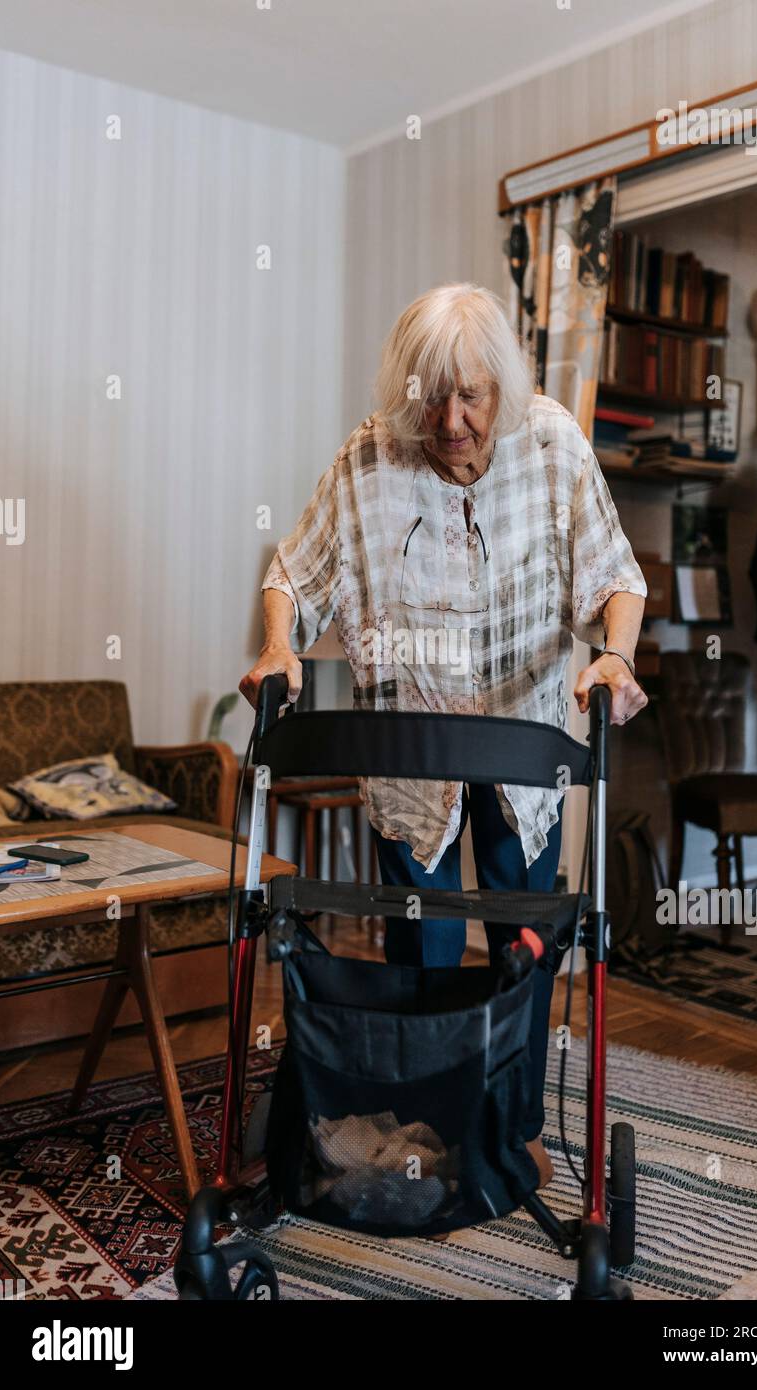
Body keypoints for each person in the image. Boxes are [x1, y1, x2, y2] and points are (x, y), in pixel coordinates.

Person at [241, 282, 647, 1190]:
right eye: (431, 395)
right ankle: (425, 1118)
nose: (451, 420)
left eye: (472, 396)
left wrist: (615, 656)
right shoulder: (369, 459)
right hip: (411, 746)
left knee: (521, 938)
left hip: (524, 742)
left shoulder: (551, 447)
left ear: (503, 386)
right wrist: (280, 646)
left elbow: (615, 575)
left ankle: (514, 1120)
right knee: (418, 942)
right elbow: (294, 575)